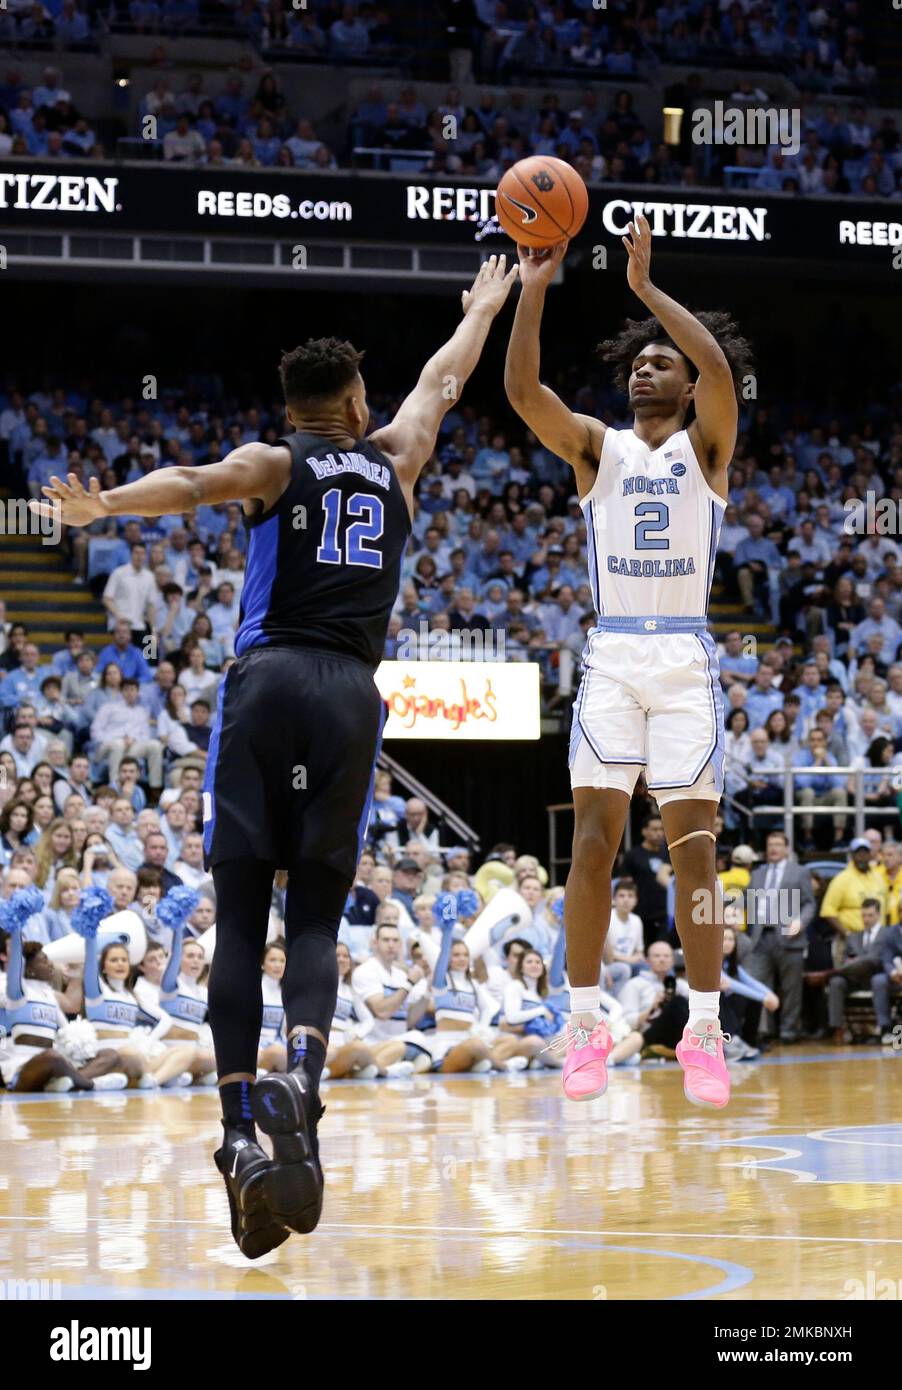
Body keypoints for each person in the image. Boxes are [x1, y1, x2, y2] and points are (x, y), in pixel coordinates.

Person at [32, 258, 520, 1257]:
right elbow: (443, 380)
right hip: (347, 694)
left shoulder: (276, 460)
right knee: (312, 915)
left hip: (264, 689)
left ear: (293, 407)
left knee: (243, 903)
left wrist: (104, 507)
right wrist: (484, 305)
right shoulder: (394, 456)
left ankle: (232, 1132)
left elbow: (194, 483)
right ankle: (299, 1077)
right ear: (352, 399)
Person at [505, 214, 753, 1108]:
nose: (647, 365)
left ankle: (704, 1027)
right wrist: (535, 285)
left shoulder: (708, 447)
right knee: (592, 849)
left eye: (662, 362)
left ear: (688, 386)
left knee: (696, 855)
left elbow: (724, 368)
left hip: (684, 657)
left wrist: (647, 288)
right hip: (613, 655)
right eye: (638, 359)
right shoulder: (596, 448)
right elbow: (523, 386)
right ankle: (583, 1025)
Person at [744, 831, 815, 1044]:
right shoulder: (757, 874)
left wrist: (801, 922)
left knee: (791, 987)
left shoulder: (800, 872)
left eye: (777, 844)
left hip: (789, 935)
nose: (773, 848)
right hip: (760, 935)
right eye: (770, 845)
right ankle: (763, 1029)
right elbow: (747, 902)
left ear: (786, 849)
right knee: (757, 983)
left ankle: (789, 1031)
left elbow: (810, 903)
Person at [827, 899, 886, 1045]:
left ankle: (885, 1029)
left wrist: (844, 967)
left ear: (878, 915)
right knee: (836, 982)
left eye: (870, 915)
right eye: (864, 915)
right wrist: (847, 967)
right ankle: (838, 1029)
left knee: (869, 963)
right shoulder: (853, 937)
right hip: (854, 980)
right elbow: (847, 959)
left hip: (878, 978)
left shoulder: (887, 934)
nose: (866, 919)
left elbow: (874, 960)